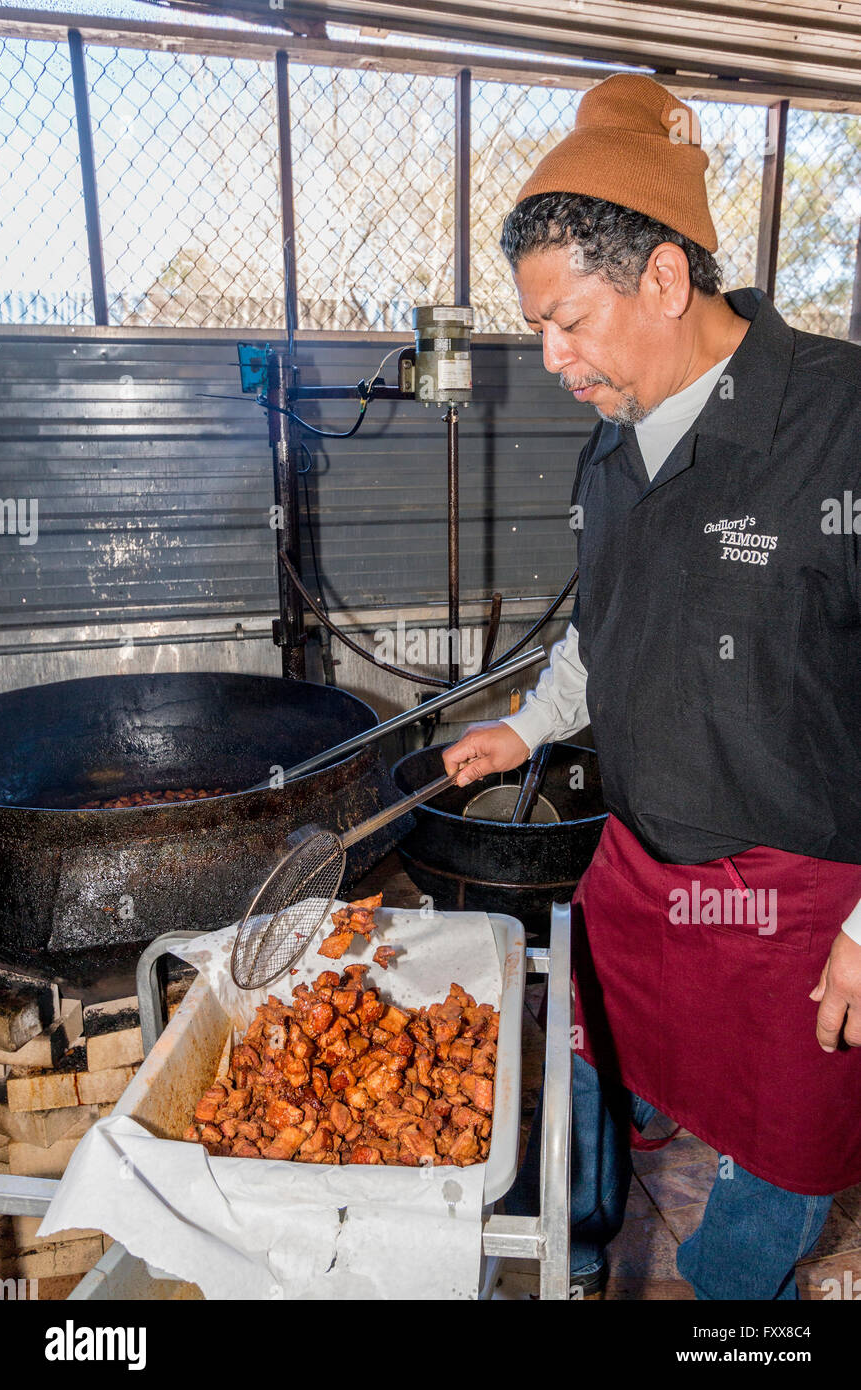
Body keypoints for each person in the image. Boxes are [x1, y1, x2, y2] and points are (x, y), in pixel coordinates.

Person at [443, 72, 861, 1301]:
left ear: (667, 279)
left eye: (567, 320)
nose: (550, 357)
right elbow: (604, 636)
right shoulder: (613, 441)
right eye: (537, 328)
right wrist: (526, 726)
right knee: (581, 1105)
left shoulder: (837, 423)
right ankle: (573, 1268)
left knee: (756, 1210)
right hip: (637, 874)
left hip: (797, 902)